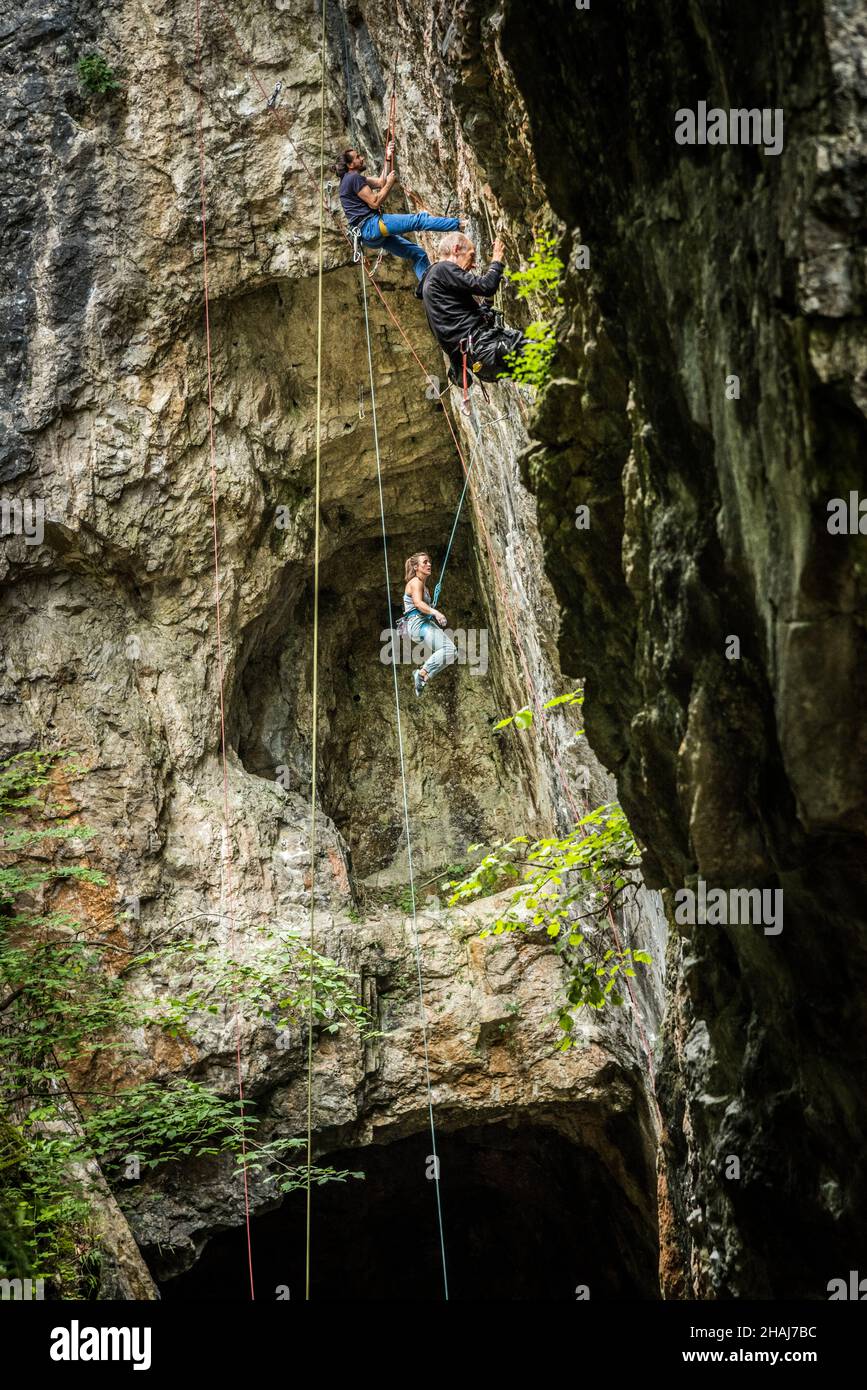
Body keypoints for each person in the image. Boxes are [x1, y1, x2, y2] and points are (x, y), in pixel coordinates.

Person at [336, 148, 461, 295]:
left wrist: (388, 157)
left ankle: (428, 290)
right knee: (418, 220)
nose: (362, 158)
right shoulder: (353, 179)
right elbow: (375, 202)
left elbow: (381, 182)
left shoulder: (349, 180)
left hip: (369, 237)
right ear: (351, 165)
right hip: (372, 225)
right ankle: (459, 224)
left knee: (418, 254)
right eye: (358, 157)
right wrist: (390, 183)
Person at [422, 231, 529, 382]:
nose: (473, 265)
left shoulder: (433, 288)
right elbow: (486, 286)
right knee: (554, 357)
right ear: (456, 249)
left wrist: (488, 302)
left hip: (482, 363)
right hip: (487, 348)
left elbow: (474, 316)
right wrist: (497, 257)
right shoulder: (441, 269)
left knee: (552, 373)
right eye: (471, 255)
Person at [400, 552, 456, 698]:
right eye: (425, 562)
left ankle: (424, 678)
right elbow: (418, 603)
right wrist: (436, 612)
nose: (429, 564)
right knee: (449, 649)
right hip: (418, 624)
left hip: (422, 623)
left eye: (429, 561)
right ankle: (422, 673)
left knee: (452, 653)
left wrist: (431, 610)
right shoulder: (415, 583)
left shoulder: (424, 587)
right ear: (416, 567)